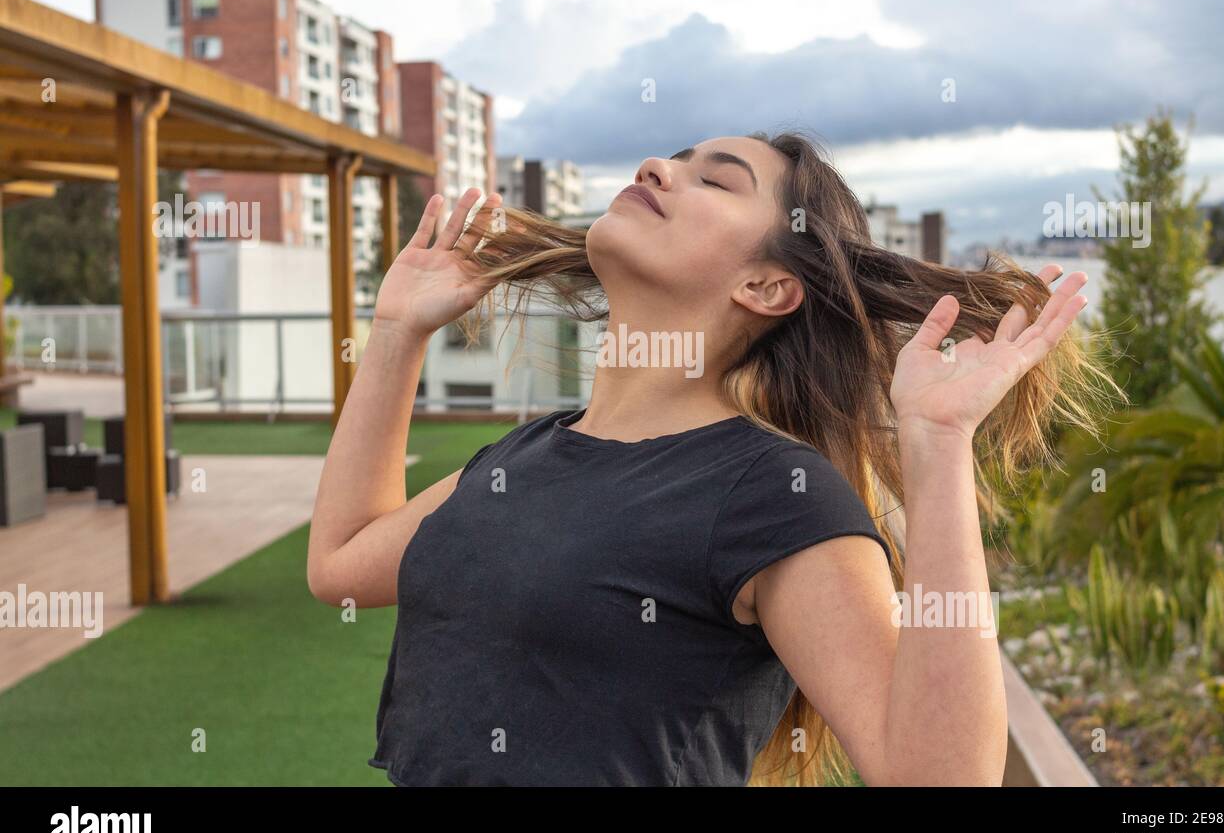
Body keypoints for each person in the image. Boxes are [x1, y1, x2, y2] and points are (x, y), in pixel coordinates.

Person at [307, 130, 1112, 786]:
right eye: (672, 160)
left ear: (767, 287)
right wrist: (397, 332)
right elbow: (341, 562)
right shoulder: (522, 457)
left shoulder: (773, 496)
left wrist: (937, 447)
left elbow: (939, 778)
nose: (655, 165)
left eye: (716, 181)